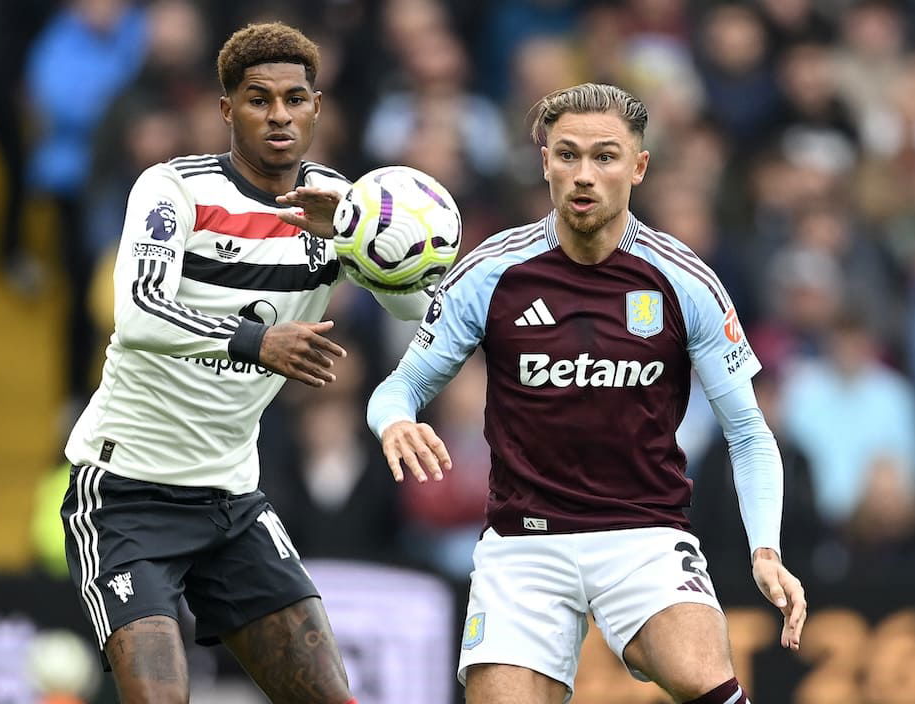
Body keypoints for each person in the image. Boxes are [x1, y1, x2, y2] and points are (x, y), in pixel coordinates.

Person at [367, 83, 806, 704]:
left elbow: (748, 430)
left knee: (705, 681)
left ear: (639, 166)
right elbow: (396, 389)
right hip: (524, 542)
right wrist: (394, 422)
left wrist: (766, 550)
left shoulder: (685, 280)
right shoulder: (491, 273)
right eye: (567, 154)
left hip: (644, 534)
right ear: (544, 160)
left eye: (604, 156)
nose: (584, 174)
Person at [59, 22, 430, 704]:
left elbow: (413, 310)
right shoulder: (173, 190)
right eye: (259, 99)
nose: (280, 114)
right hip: (126, 493)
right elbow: (137, 312)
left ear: (318, 106)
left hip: (231, 502)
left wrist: (355, 239)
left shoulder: (336, 203)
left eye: (295, 98)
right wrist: (256, 341)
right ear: (227, 110)